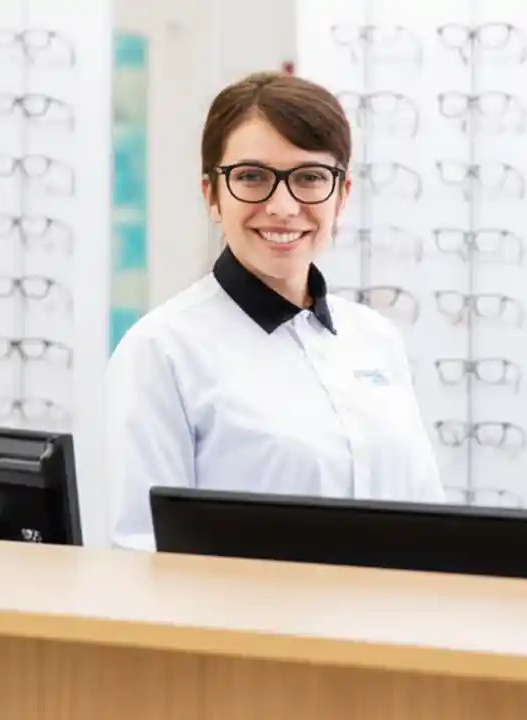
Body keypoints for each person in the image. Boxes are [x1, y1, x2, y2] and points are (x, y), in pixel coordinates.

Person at [105, 71, 443, 551]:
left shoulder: (375, 337)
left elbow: (429, 520)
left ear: (341, 196)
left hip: (390, 623)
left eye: (309, 177)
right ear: (212, 196)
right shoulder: (161, 352)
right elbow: (139, 553)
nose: (282, 206)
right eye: (251, 177)